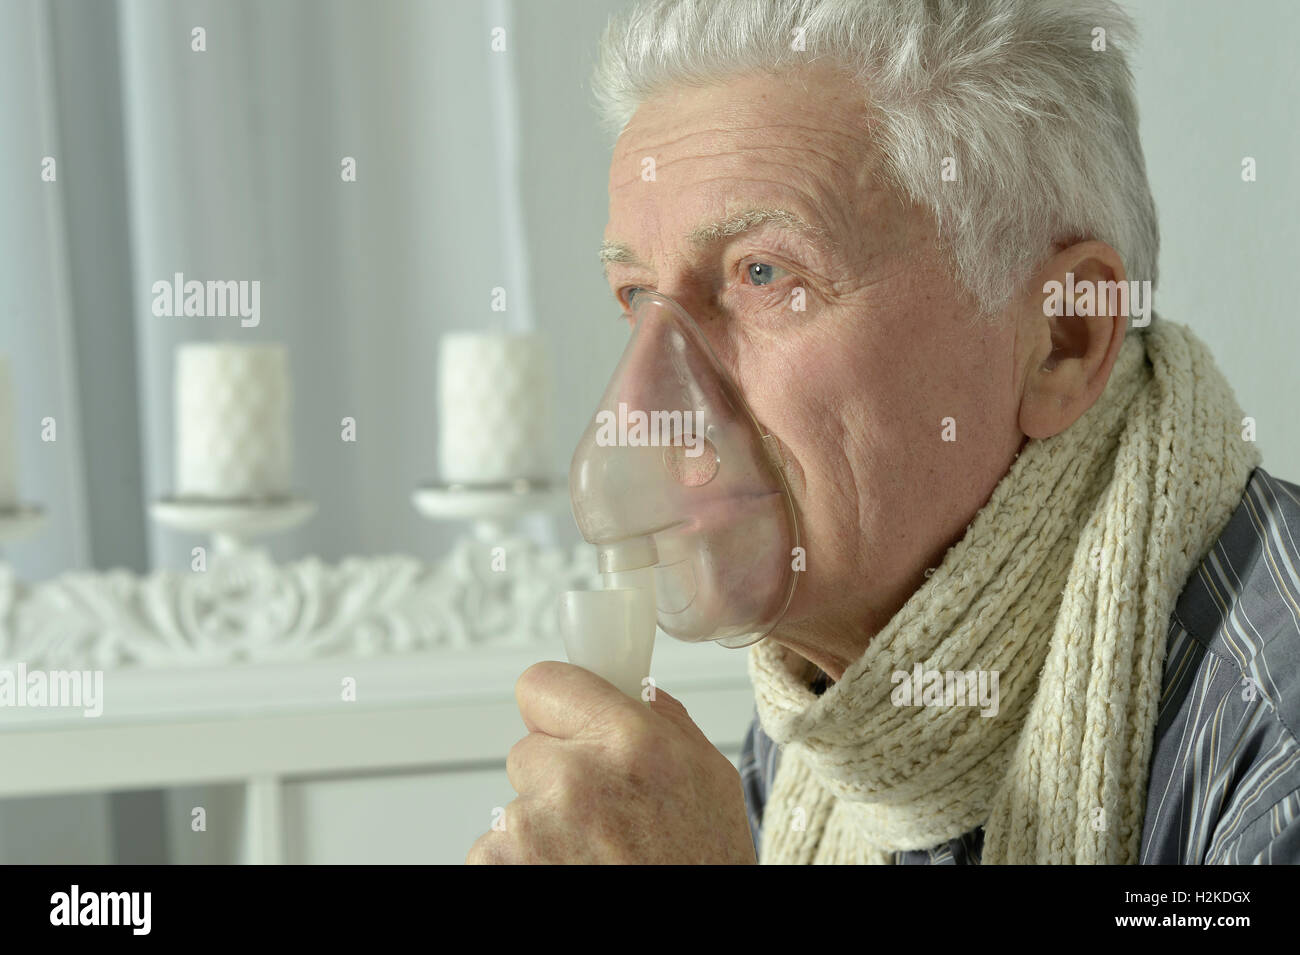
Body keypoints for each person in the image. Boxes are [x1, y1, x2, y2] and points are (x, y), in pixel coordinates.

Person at [467, 0, 1299, 865]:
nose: (640, 408)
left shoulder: (1275, 731)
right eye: (637, 297)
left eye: (764, 275)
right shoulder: (835, 724)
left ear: (1062, 338)